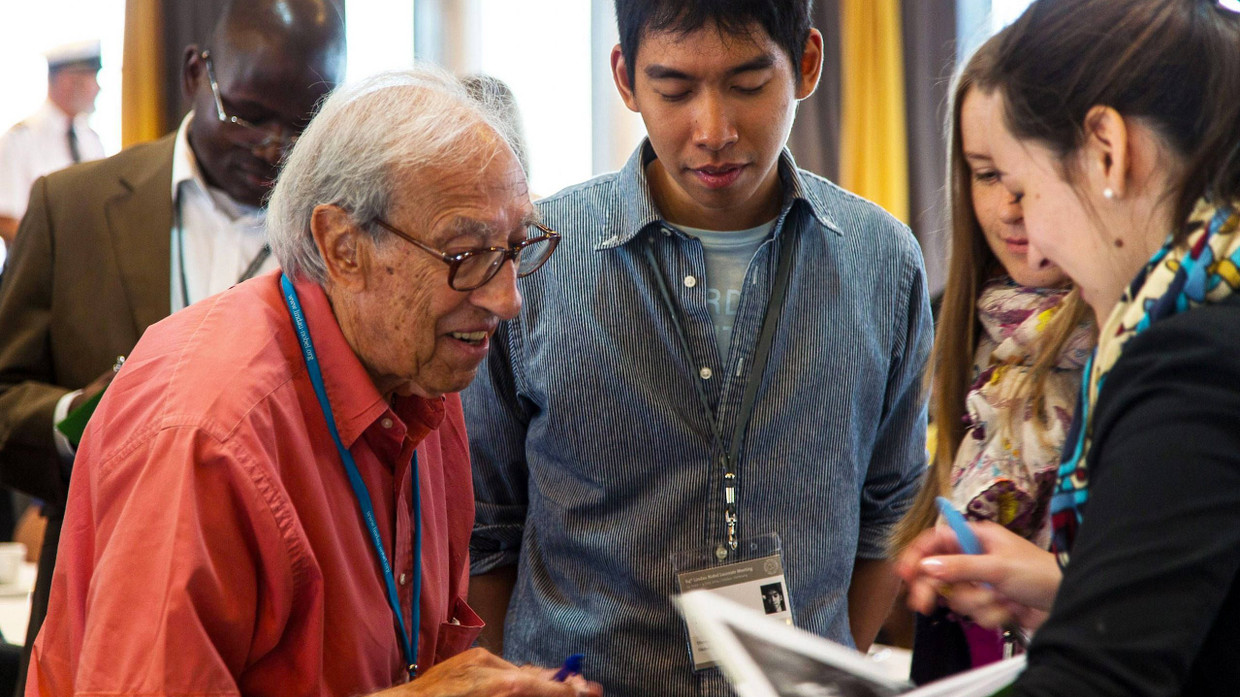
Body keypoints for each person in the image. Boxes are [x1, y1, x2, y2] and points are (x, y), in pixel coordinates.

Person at [26, 65, 598, 697]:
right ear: (342, 245)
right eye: (465, 256)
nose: (507, 299)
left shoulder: (423, 375)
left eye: (516, 248)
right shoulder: (207, 436)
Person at [464, 1, 932, 695]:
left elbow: (888, 518)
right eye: (675, 89)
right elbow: (484, 532)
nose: (713, 130)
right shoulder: (536, 261)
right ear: (626, 78)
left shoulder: (880, 261)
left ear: (805, 63)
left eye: (748, 85)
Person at [897, 0, 1240, 693]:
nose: (1034, 237)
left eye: (1027, 186)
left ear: (1108, 151)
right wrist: (1077, 598)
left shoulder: (1194, 363)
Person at [0, 1, 344, 691]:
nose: (276, 148)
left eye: (304, 124)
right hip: (96, 616)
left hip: (291, 636)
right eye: (249, 114)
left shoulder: (344, 239)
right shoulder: (72, 207)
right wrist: (79, 417)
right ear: (196, 74)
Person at [887, 36, 1092, 683]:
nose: (1009, 205)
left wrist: (1047, 583)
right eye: (985, 173)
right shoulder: (962, 327)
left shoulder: (1153, 343)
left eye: (1025, 171)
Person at [0, 40, 106, 259]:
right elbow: (6, 219)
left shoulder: (91, 140)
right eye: (92, 78)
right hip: (37, 274)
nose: (98, 88)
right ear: (68, 81)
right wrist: (58, 255)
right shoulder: (19, 141)